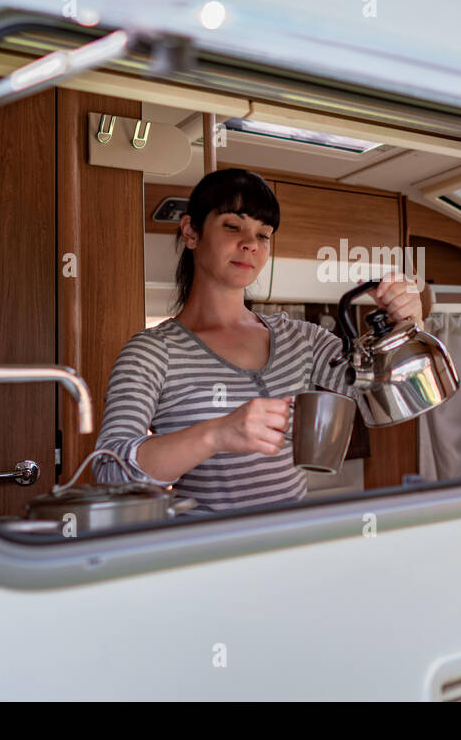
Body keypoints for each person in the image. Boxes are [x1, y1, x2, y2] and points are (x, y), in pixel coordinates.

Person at [93, 167, 423, 513]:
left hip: (288, 544)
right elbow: (110, 473)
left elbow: (396, 391)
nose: (250, 243)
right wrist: (216, 434)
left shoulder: (301, 339)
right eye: (233, 226)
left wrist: (410, 322)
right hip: (206, 553)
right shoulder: (151, 352)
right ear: (191, 232)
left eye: (263, 235)